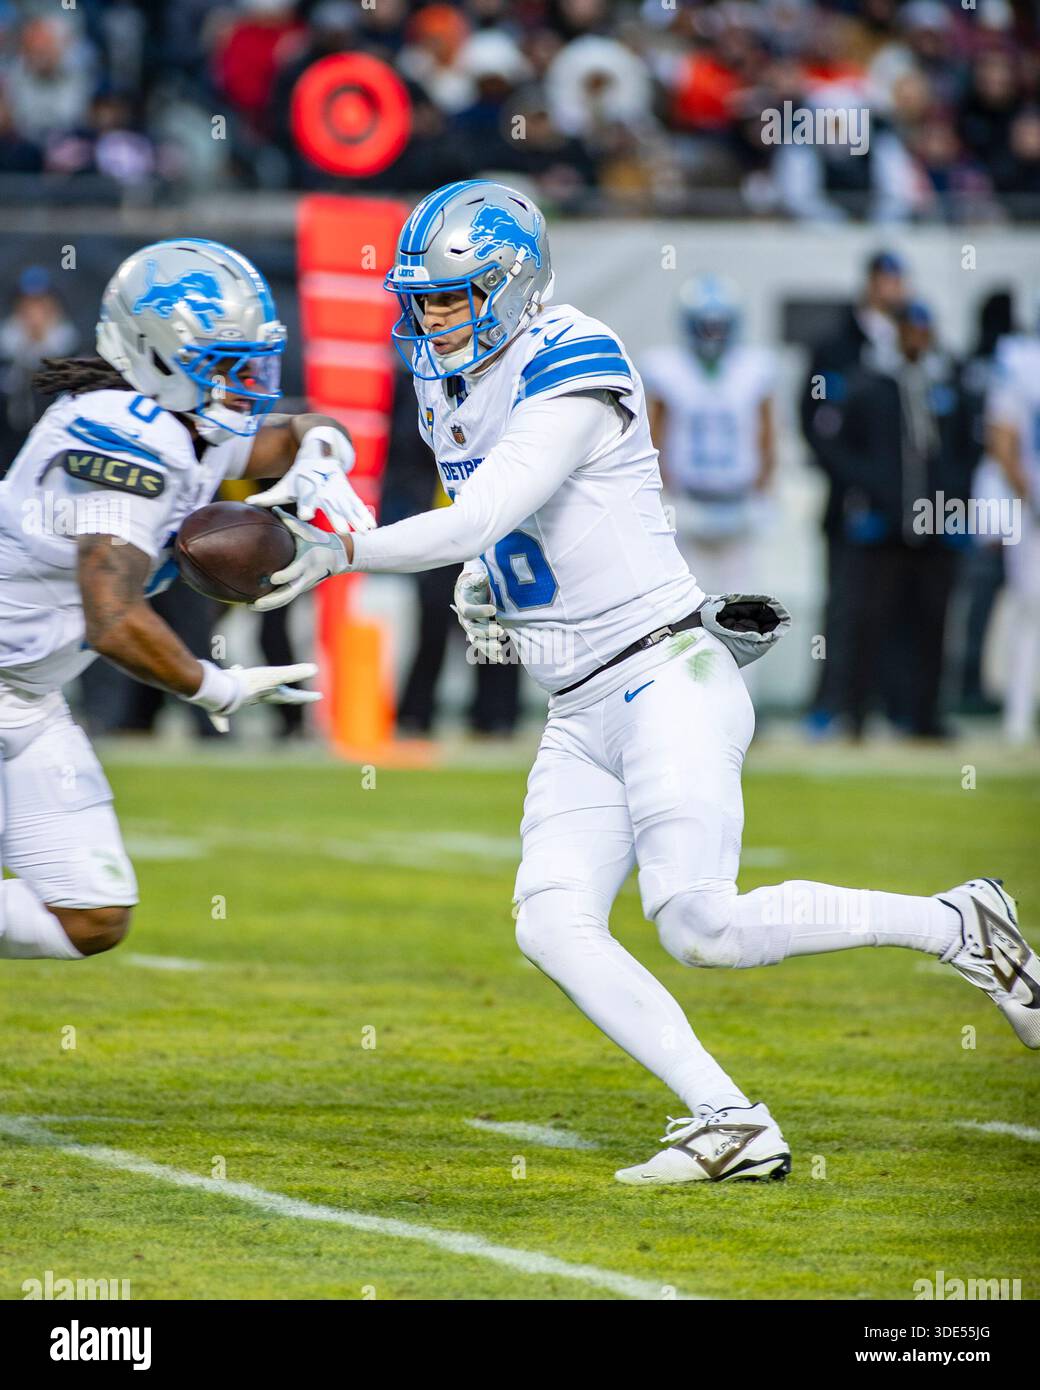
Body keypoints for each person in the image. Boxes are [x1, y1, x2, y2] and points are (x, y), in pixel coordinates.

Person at [256, 180, 1040, 1184]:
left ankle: (957, 922)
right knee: (549, 919)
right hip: (579, 703)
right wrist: (485, 585)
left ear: (510, 285)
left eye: (449, 299)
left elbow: (478, 510)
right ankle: (728, 1119)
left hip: (659, 674)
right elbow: (501, 532)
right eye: (420, 299)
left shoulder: (572, 357)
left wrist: (346, 548)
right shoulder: (442, 372)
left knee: (699, 922)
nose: (428, 319)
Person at [0, 237, 372, 964]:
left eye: (253, 360)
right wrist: (219, 688)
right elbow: (111, 617)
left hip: (28, 698)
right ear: (158, 356)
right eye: (229, 364)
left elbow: (296, 425)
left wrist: (325, 455)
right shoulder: (123, 432)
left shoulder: (190, 425)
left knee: (93, 917)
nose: (249, 382)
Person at [829, 301, 971, 739]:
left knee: (932, 622)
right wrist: (870, 490)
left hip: (933, 524)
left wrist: (953, 504)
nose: (916, 337)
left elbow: (965, 450)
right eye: (910, 329)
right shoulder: (869, 382)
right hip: (883, 525)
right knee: (868, 621)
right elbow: (838, 445)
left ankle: (922, 715)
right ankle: (856, 715)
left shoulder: (946, 383)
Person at [800, 250, 907, 732]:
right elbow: (816, 423)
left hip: (902, 503)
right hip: (851, 501)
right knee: (843, 605)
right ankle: (831, 703)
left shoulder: (910, 341)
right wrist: (855, 478)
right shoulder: (835, 347)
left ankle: (883, 703)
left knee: (895, 604)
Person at [642, 275, 776, 596]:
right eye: (705, 326)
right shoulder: (667, 368)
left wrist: (763, 485)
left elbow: (767, 433)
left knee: (740, 607)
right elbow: (654, 436)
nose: (712, 335)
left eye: (719, 326)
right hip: (687, 501)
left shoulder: (754, 368)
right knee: (685, 602)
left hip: (738, 497)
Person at [987, 312, 1040, 744]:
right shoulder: (1021, 360)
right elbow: (1002, 439)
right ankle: (1019, 716)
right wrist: (1030, 493)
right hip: (1032, 506)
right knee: (1030, 607)